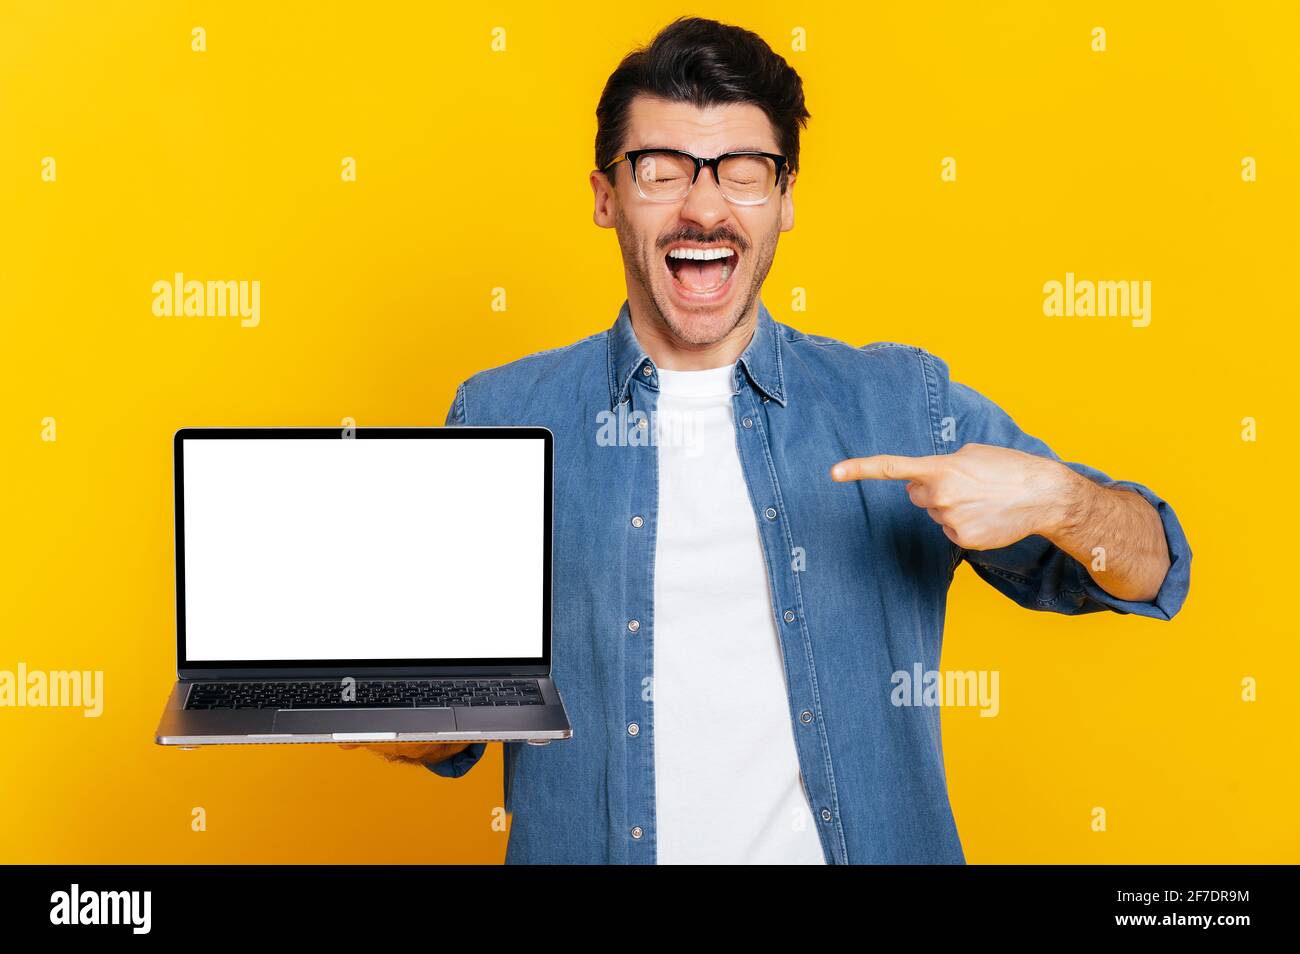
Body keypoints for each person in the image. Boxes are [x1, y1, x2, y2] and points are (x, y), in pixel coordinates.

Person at [348, 16, 1191, 864]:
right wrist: (369, 704)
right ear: (606, 196)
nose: (705, 206)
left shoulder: (901, 403)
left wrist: (1060, 500)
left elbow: (1155, 569)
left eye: (743, 173)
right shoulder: (501, 415)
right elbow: (446, 734)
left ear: (784, 198)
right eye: (661, 170)